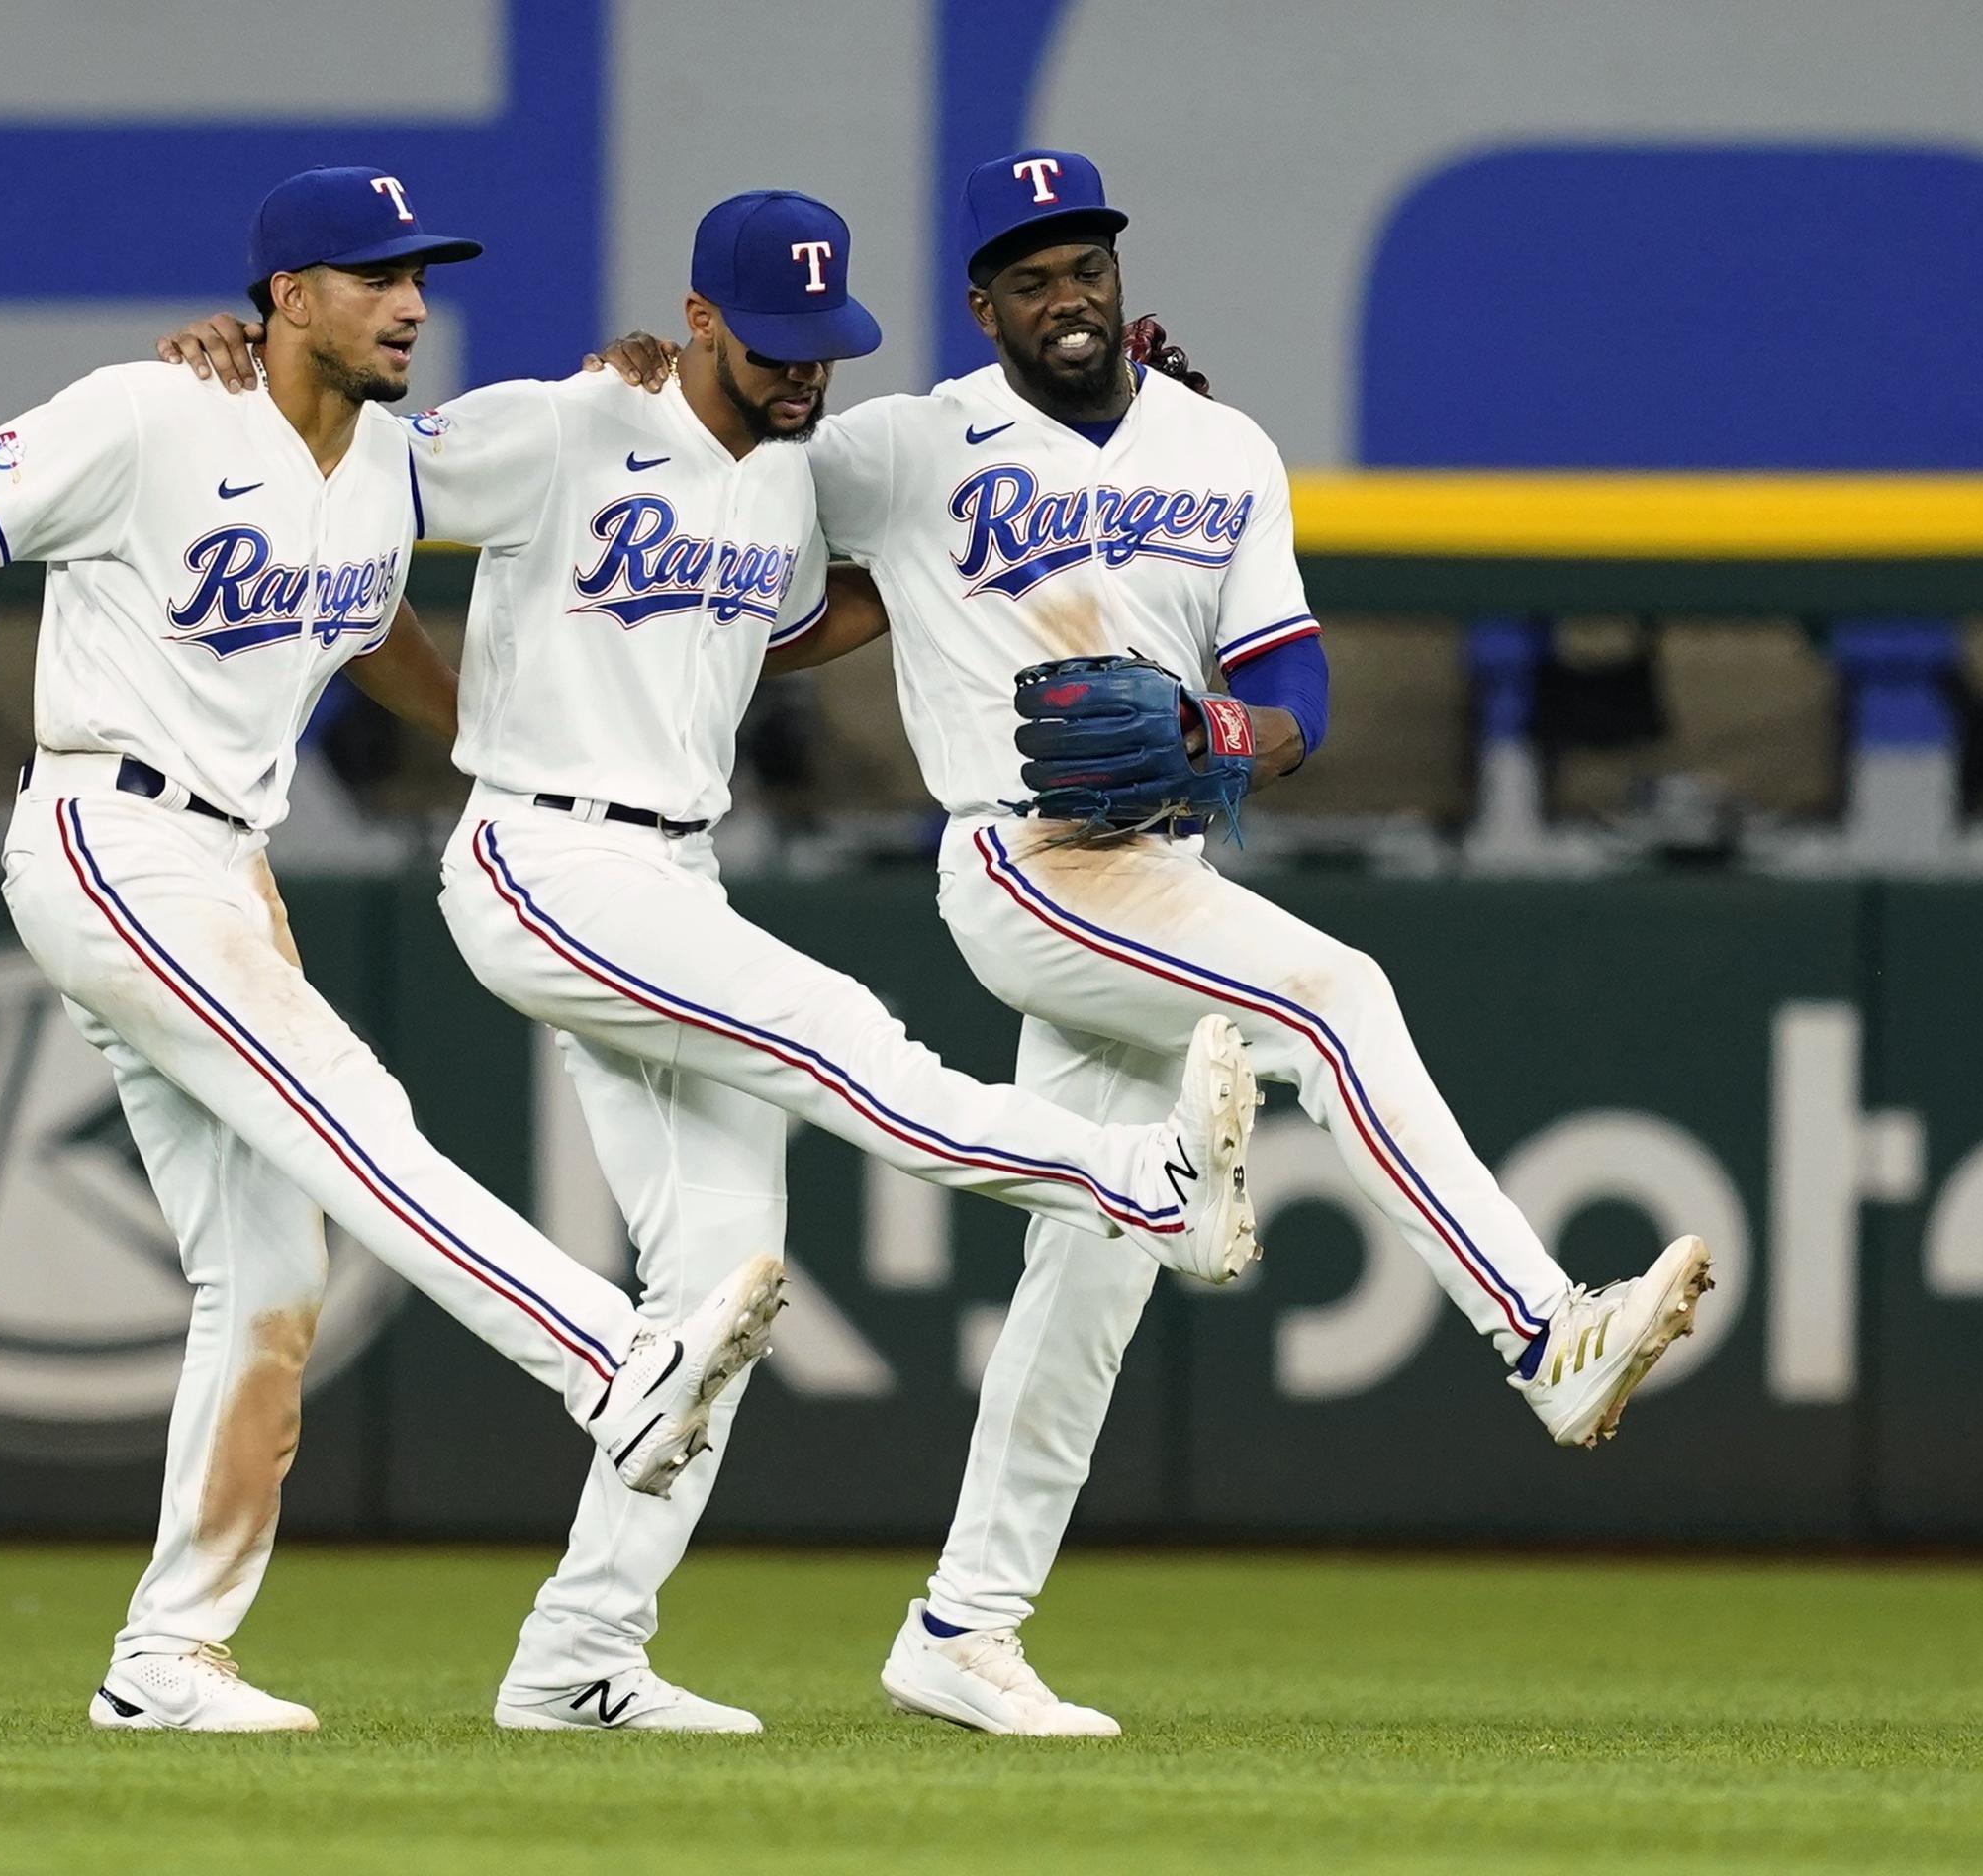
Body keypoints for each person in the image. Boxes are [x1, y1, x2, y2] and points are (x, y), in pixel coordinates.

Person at [0, 165, 788, 1736]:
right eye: (372, 275)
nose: (411, 302)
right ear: (287, 297)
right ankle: (607, 1361)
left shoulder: (385, 468)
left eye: (420, 276)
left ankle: (166, 1660)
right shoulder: (150, 415)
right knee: (351, 1107)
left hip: (225, 861)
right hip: (108, 829)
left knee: (270, 1269)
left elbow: (381, 634)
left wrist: (617, 432)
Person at [155, 190, 1260, 1736]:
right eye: (774, 344)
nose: (805, 373)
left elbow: (851, 606)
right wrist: (243, 350)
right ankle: (1137, 1181)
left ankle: (579, 1658)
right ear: (697, 319)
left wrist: (1142, 458)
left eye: (827, 346)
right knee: (835, 1035)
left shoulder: (799, 477)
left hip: (670, 862)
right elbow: (342, 460)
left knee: (727, 1278)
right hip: (546, 854)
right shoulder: (566, 423)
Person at [667, 148, 1711, 1734]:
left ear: (1118, 273)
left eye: (1083, 261)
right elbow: (711, 463)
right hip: (1026, 857)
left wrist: (1226, 733)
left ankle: (963, 1627)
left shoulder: (1221, 444)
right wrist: (636, 377)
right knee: (1335, 999)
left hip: (1159, 861)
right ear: (983, 304)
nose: (1064, 293)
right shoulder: (907, 445)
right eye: (1029, 275)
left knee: (1089, 1269)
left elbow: (1297, 696)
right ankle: (1542, 1330)